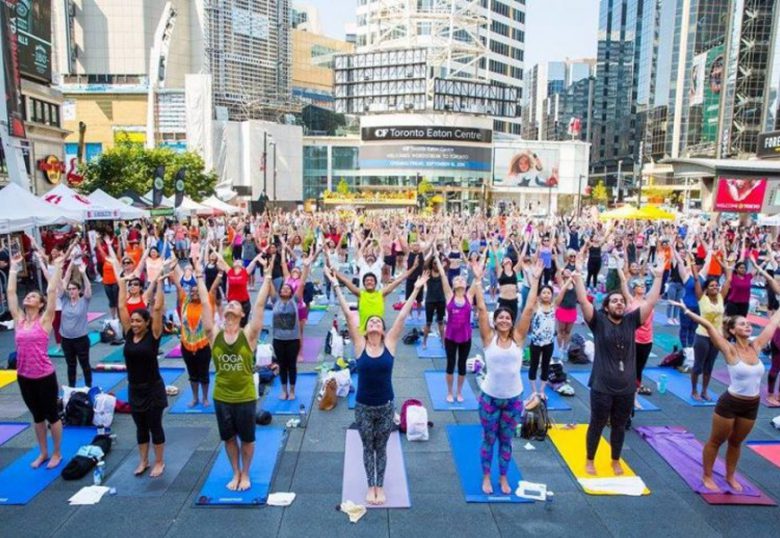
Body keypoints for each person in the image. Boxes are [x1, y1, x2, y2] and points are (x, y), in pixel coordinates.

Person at [325, 265, 428, 505]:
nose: (373, 323)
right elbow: (348, 314)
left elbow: (401, 317)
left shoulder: (389, 344)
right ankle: (369, 484)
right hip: (362, 406)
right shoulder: (359, 345)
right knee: (366, 447)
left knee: (380, 449)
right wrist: (336, 284)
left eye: (377, 322)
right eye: (370, 321)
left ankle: (378, 486)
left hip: (384, 406)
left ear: (382, 329)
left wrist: (415, 290)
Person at [673, 302, 780, 492]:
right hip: (730, 403)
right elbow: (707, 326)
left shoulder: (756, 346)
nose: (747, 326)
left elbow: (772, 324)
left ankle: (730, 476)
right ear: (732, 330)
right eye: (742, 324)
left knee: (736, 442)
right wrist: (687, 310)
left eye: (748, 324)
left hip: (752, 405)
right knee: (716, 441)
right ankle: (707, 475)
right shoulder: (729, 349)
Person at [573, 254, 664, 476]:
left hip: (626, 386)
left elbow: (651, 302)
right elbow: (584, 301)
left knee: (619, 425)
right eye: (614, 301)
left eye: (622, 301)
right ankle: (590, 459)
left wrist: (659, 276)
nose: (619, 303)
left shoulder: (632, 321)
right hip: (602, 385)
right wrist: (577, 278)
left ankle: (615, 460)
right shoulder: (599, 322)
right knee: (597, 423)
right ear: (606, 307)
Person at [474, 258, 542, 495]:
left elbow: (530, 308)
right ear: (495, 322)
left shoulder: (519, 339)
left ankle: (503, 478)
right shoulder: (487, 338)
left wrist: (534, 281)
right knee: (488, 439)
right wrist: (477, 278)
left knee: (506, 441)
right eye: (500, 317)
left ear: (511, 321)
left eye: (507, 318)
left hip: (513, 399)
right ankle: (486, 477)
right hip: (490, 398)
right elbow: (481, 308)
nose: (504, 319)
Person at [200, 263, 270, 492]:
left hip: (245, 396)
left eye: (236, 304)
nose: (231, 304)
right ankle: (236, 472)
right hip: (222, 395)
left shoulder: (248, 336)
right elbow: (205, 302)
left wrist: (268, 276)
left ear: (241, 314)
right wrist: (200, 277)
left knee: (247, 439)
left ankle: (246, 473)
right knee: (229, 438)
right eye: (229, 302)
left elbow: (259, 305)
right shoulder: (214, 334)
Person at [8, 253, 64, 469]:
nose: (28, 298)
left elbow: (51, 292)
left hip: (44, 376)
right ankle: (43, 452)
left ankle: (57, 453)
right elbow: (11, 292)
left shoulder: (45, 320)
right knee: (37, 416)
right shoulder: (19, 319)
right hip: (24, 376)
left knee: (52, 415)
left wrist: (56, 267)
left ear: (40, 305)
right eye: (28, 296)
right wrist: (13, 268)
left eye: (33, 297)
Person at [116, 257, 170, 478]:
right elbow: (121, 306)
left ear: (146, 323)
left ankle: (159, 462)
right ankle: (143, 461)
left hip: (153, 388)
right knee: (139, 427)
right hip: (135, 388)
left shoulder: (153, 336)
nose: (135, 324)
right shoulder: (129, 334)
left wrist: (159, 283)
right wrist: (122, 282)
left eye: (139, 321)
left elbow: (157, 308)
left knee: (154, 425)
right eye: (134, 321)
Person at [173, 252, 221, 408]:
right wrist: (173, 266)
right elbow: (178, 283)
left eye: (196, 292)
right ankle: (195, 397)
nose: (194, 294)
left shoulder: (207, 304)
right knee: (192, 374)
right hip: (187, 344)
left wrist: (219, 274)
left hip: (203, 344)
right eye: (192, 292)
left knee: (204, 373)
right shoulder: (185, 303)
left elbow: (213, 289)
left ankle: (205, 397)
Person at [432, 250, 479, 402]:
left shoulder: (469, 296)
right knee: (451, 364)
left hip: (466, 336)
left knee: (462, 365)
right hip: (451, 336)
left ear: (465, 284)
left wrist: (478, 264)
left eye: (462, 280)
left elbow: (476, 279)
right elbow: (443, 276)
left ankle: (459, 392)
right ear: (453, 284)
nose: (459, 281)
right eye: (457, 280)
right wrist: (437, 259)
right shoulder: (449, 296)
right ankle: (449, 392)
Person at [267, 253, 312, 400]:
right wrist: (268, 268)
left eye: (288, 289)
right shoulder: (275, 300)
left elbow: (302, 282)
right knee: (282, 365)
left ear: (291, 292)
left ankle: (292, 390)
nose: (285, 289)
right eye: (283, 289)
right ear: (280, 291)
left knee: (291, 365)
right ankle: (283, 390)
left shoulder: (295, 300)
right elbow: (269, 283)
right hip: (278, 339)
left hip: (292, 340)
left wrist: (305, 267)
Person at [691, 275, 729, 401]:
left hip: (716, 337)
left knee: (709, 366)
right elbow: (696, 280)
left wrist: (726, 263)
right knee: (698, 366)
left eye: (717, 285)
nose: (715, 287)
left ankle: (704, 391)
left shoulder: (720, 297)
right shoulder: (702, 299)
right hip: (702, 335)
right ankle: (694, 390)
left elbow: (728, 280)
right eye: (712, 285)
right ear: (706, 288)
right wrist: (693, 269)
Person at [59, 258, 93, 387]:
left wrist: (83, 273)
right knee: (71, 365)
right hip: (66, 340)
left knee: (85, 364)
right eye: (70, 289)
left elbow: (88, 288)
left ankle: (89, 386)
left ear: (79, 290)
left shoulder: (84, 301)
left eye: (73, 289)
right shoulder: (64, 300)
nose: (71, 291)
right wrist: (61, 267)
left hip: (81, 339)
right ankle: (71, 387)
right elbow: (61, 284)